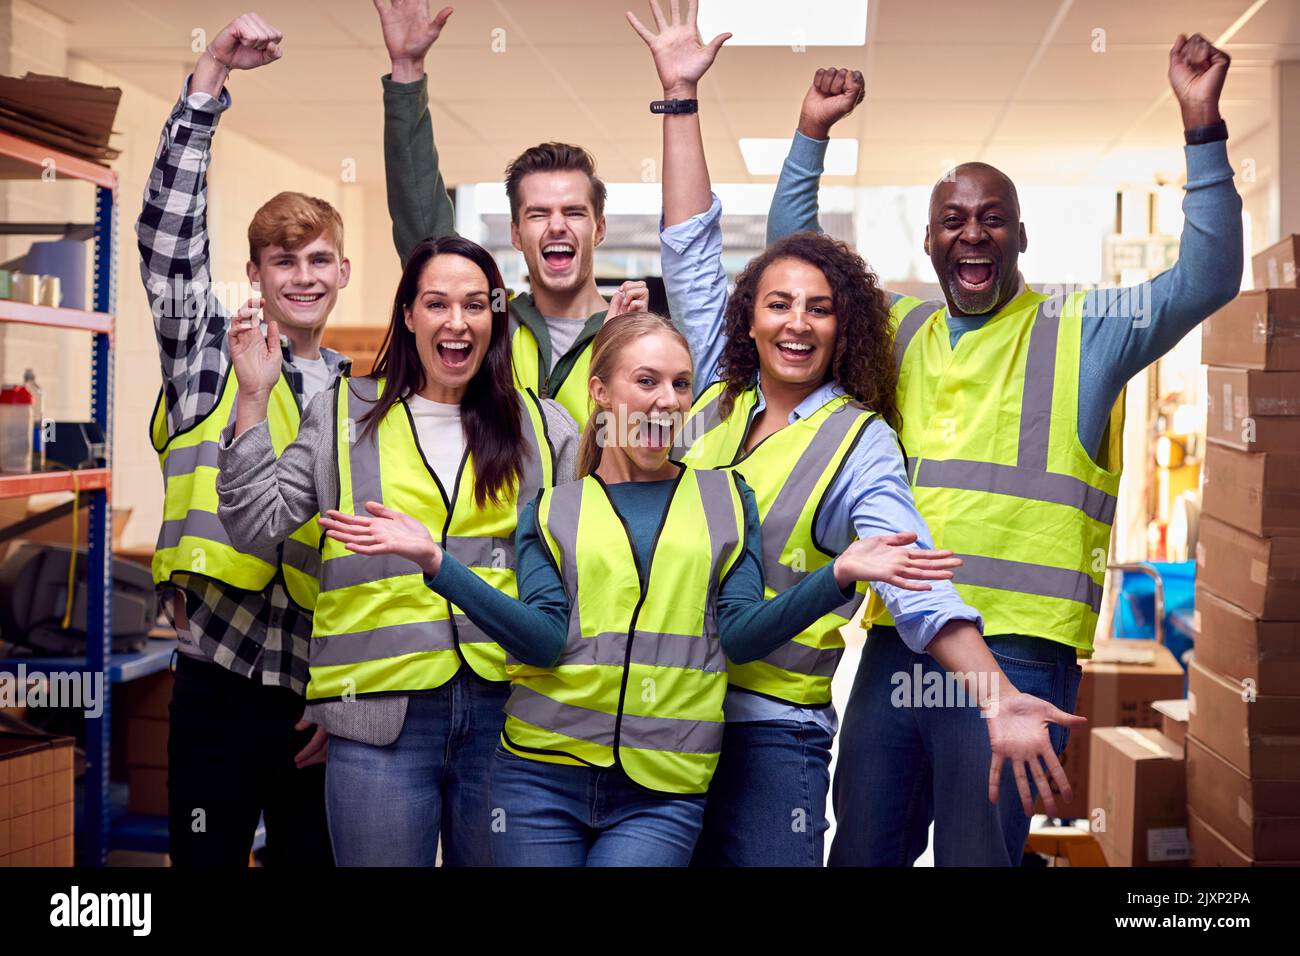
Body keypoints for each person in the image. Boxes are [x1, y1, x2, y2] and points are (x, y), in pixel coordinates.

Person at [751, 35, 1243, 865]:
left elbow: (1205, 277)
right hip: (901, 643)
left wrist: (1201, 125)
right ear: (931, 243)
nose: (971, 235)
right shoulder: (900, 332)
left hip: (1019, 657)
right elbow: (797, 266)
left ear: (1019, 237)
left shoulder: (1085, 329)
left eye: (991, 220)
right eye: (953, 220)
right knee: (860, 851)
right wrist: (810, 136)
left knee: (979, 859)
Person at [639, 0, 1088, 866]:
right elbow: (690, 248)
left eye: (821, 309)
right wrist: (680, 99)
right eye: (779, 304)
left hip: (774, 736)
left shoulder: (859, 442)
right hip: (662, 717)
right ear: (750, 318)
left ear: (848, 330)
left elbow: (914, 577)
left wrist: (994, 698)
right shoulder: (707, 398)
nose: (798, 324)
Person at [321, 311, 963, 866]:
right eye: (647, 381)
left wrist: (839, 574)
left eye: (681, 384)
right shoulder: (551, 508)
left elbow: (740, 637)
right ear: (601, 393)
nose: (668, 400)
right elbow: (542, 643)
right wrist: (438, 563)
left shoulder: (725, 499)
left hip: (664, 789)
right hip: (539, 778)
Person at [216, 235, 577, 866]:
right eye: (436, 304)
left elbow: (580, 582)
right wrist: (251, 395)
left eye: (474, 305)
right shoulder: (343, 415)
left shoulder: (544, 429)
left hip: (508, 714)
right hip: (378, 721)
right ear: (408, 315)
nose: (456, 322)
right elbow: (253, 525)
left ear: (497, 316)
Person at [137, 11, 337, 867]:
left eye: (319, 259)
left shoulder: (362, 398)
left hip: (314, 699)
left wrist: (342, 700)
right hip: (216, 680)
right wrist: (211, 77)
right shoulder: (205, 364)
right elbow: (168, 243)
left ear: (343, 272)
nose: (302, 277)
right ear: (254, 273)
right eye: (282, 262)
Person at [373, 0, 648, 426]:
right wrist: (407, 72)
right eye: (538, 214)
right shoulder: (492, 317)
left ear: (600, 229)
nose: (557, 224)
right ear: (517, 234)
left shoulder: (634, 331)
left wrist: (626, 342)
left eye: (573, 212)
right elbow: (423, 226)